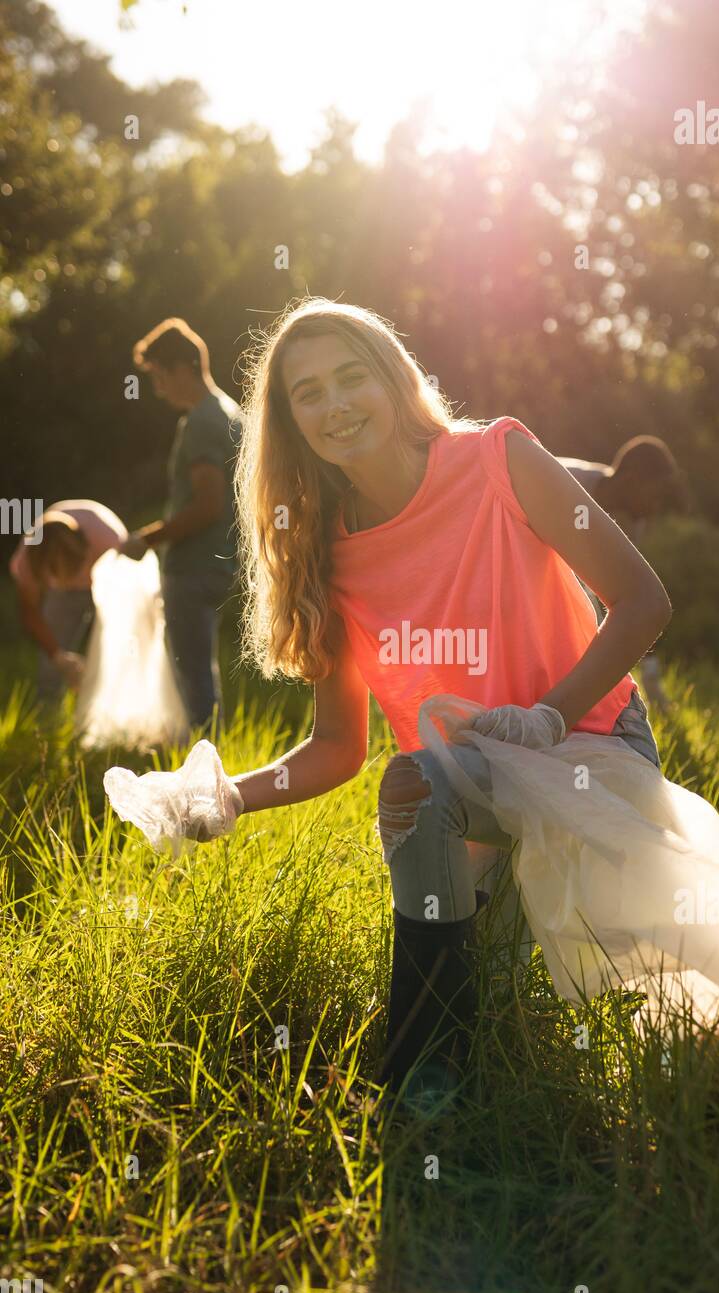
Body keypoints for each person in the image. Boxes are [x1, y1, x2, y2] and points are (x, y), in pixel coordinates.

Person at [174, 297, 673, 1107]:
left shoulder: (498, 459)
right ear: (290, 421)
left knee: (627, 988)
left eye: (350, 377)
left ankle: (418, 1070)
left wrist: (547, 715)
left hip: (589, 754)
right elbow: (338, 749)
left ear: (394, 379)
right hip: (470, 800)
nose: (334, 405)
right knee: (416, 787)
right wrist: (227, 796)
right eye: (308, 394)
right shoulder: (324, 550)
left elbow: (643, 601)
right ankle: (434, 1086)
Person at [121, 318, 242, 732]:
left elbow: (209, 504)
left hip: (192, 567)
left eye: (158, 376)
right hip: (218, 562)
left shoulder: (203, 422)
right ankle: (206, 759)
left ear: (182, 368)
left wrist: (147, 538)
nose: (157, 389)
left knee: (191, 677)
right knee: (199, 669)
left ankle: (206, 772)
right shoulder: (229, 412)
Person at [558, 437, 688, 710]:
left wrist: (655, 692)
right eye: (655, 494)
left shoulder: (631, 525)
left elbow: (631, 603)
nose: (656, 506)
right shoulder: (566, 483)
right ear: (631, 481)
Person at [9, 501, 127, 701]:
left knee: (121, 648)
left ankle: (118, 703)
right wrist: (58, 657)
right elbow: (29, 609)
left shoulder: (106, 538)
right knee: (50, 667)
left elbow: (131, 592)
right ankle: (47, 719)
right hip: (63, 597)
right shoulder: (28, 558)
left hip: (111, 584)